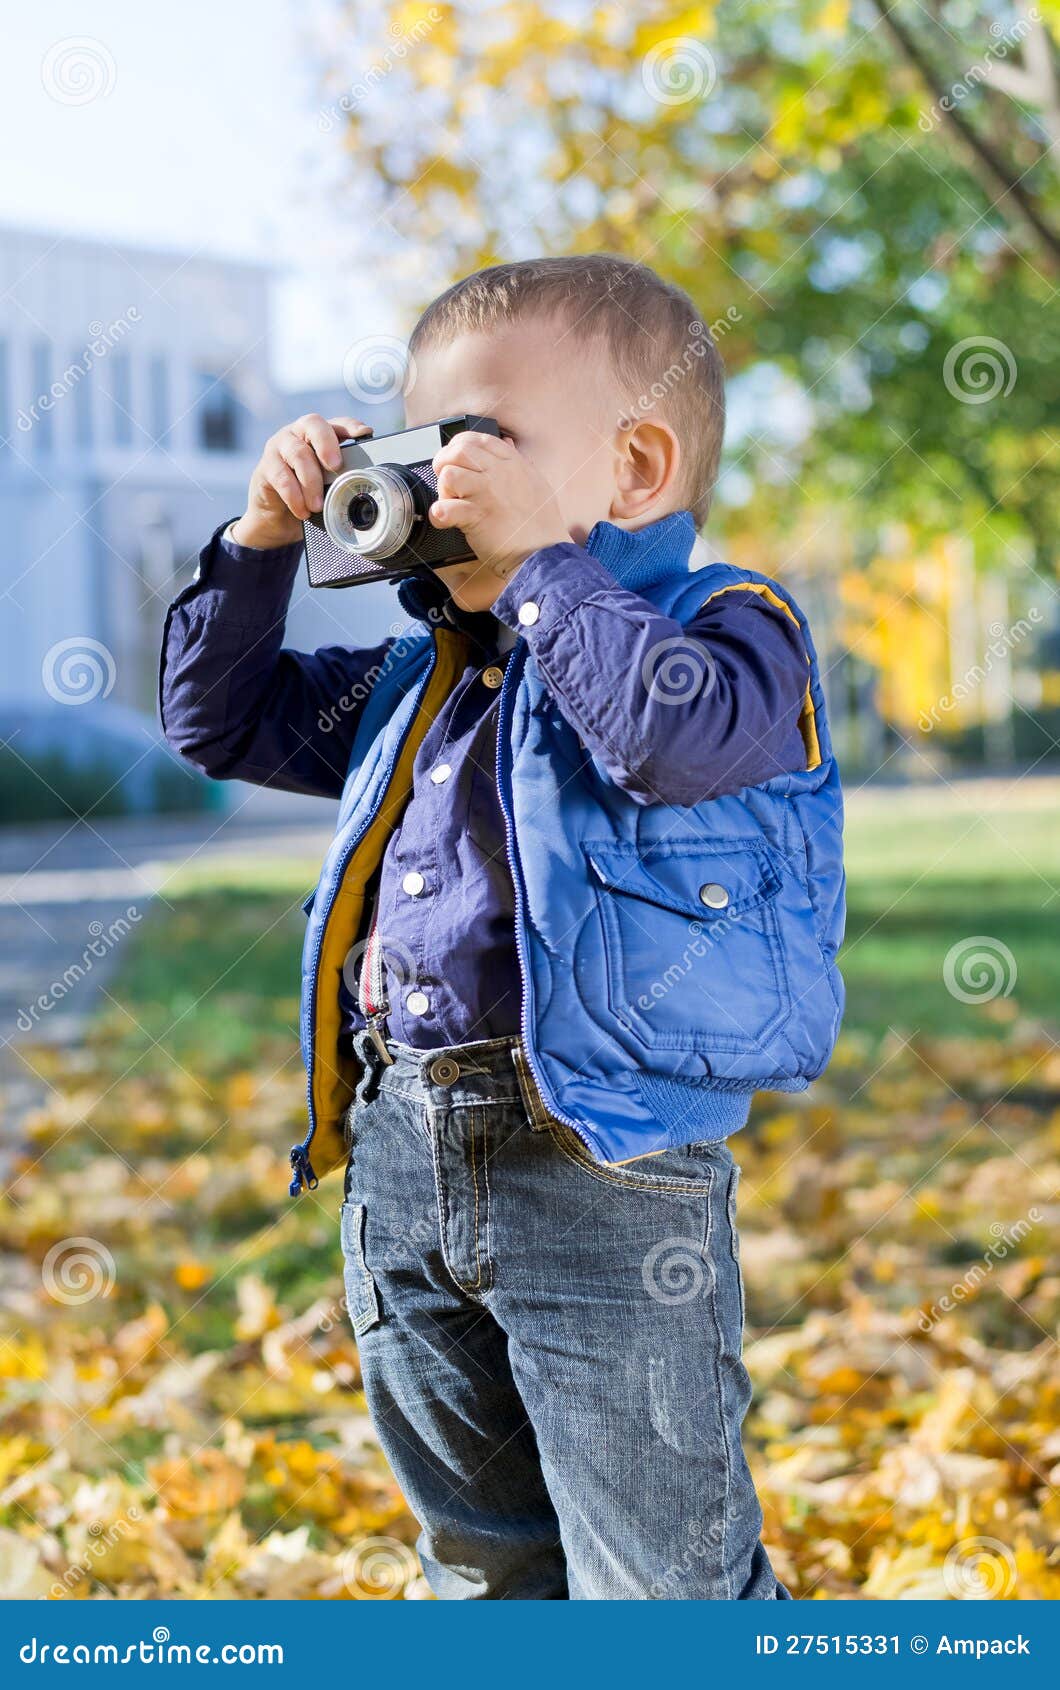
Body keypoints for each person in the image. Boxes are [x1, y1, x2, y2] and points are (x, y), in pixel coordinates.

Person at [160, 254, 845, 1600]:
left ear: (637, 468)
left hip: (602, 1168)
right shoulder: (416, 674)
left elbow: (662, 736)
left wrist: (542, 568)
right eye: (414, 449)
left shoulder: (731, 630)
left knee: (659, 1577)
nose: (425, 485)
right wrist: (261, 542)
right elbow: (216, 720)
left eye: (471, 450)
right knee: (478, 1558)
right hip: (401, 1165)